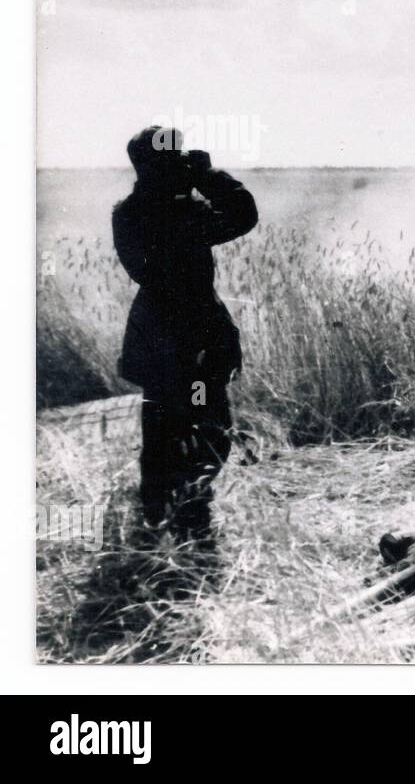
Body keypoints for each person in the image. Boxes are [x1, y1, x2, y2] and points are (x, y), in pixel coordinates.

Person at [113, 126, 258, 539]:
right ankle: (185, 516)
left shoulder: (131, 212)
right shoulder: (175, 215)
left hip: (158, 338)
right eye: (172, 160)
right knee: (203, 426)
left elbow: (241, 218)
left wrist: (192, 182)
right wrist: (207, 176)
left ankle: (163, 517)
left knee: (166, 429)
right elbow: (242, 214)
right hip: (188, 339)